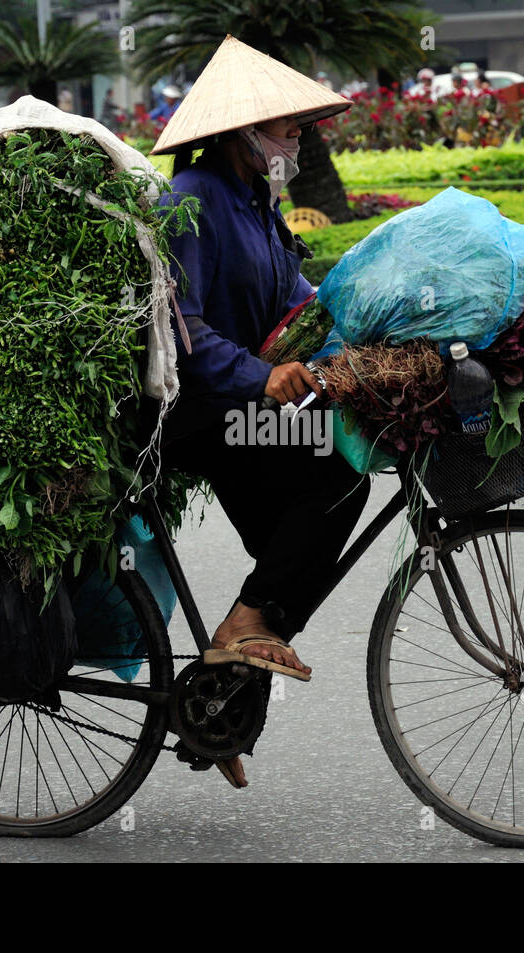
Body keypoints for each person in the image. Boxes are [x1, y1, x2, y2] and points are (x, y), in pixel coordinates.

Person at [149, 36, 369, 788]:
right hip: (203, 411)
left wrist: (357, 333)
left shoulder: (259, 204)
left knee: (289, 566)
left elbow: (295, 297)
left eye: (299, 127)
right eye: (286, 126)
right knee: (336, 482)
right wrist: (263, 376)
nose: (297, 138)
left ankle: (221, 707)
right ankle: (238, 643)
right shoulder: (192, 200)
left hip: (245, 400)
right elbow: (181, 329)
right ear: (242, 132)